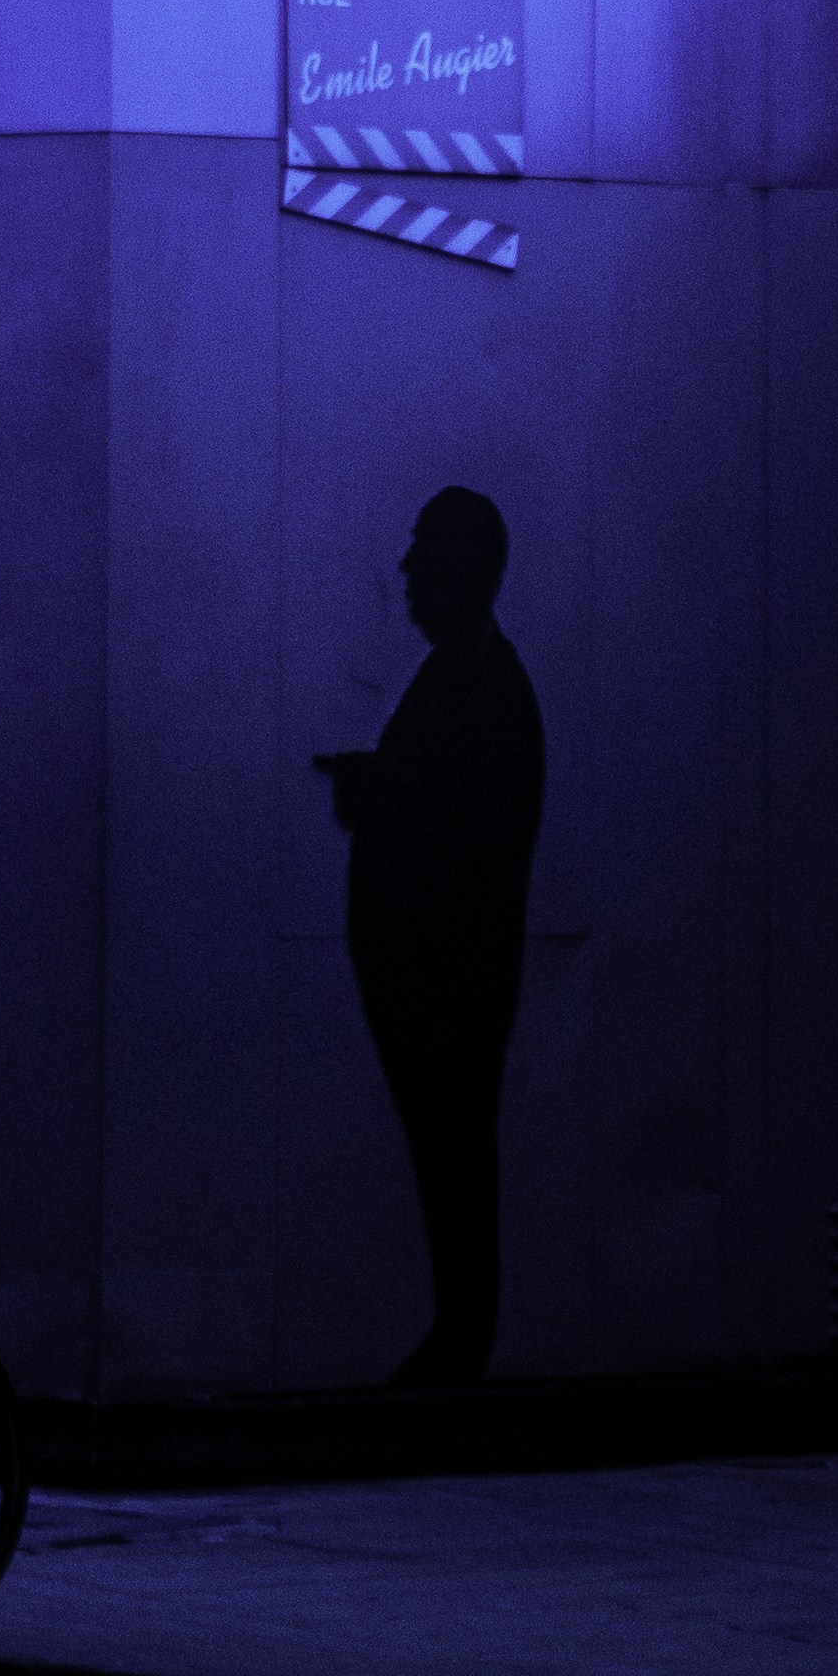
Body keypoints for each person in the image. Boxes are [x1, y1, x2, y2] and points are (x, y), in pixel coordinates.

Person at [316, 483, 546, 1390]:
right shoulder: (478, 676)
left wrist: (379, 797)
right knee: (453, 1157)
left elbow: (460, 828)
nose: (405, 569)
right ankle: (460, 1334)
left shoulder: (471, 680)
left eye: (423, 552)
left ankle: (460, 1338)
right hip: (447, 982)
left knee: (450, 1155)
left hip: (443, 985)